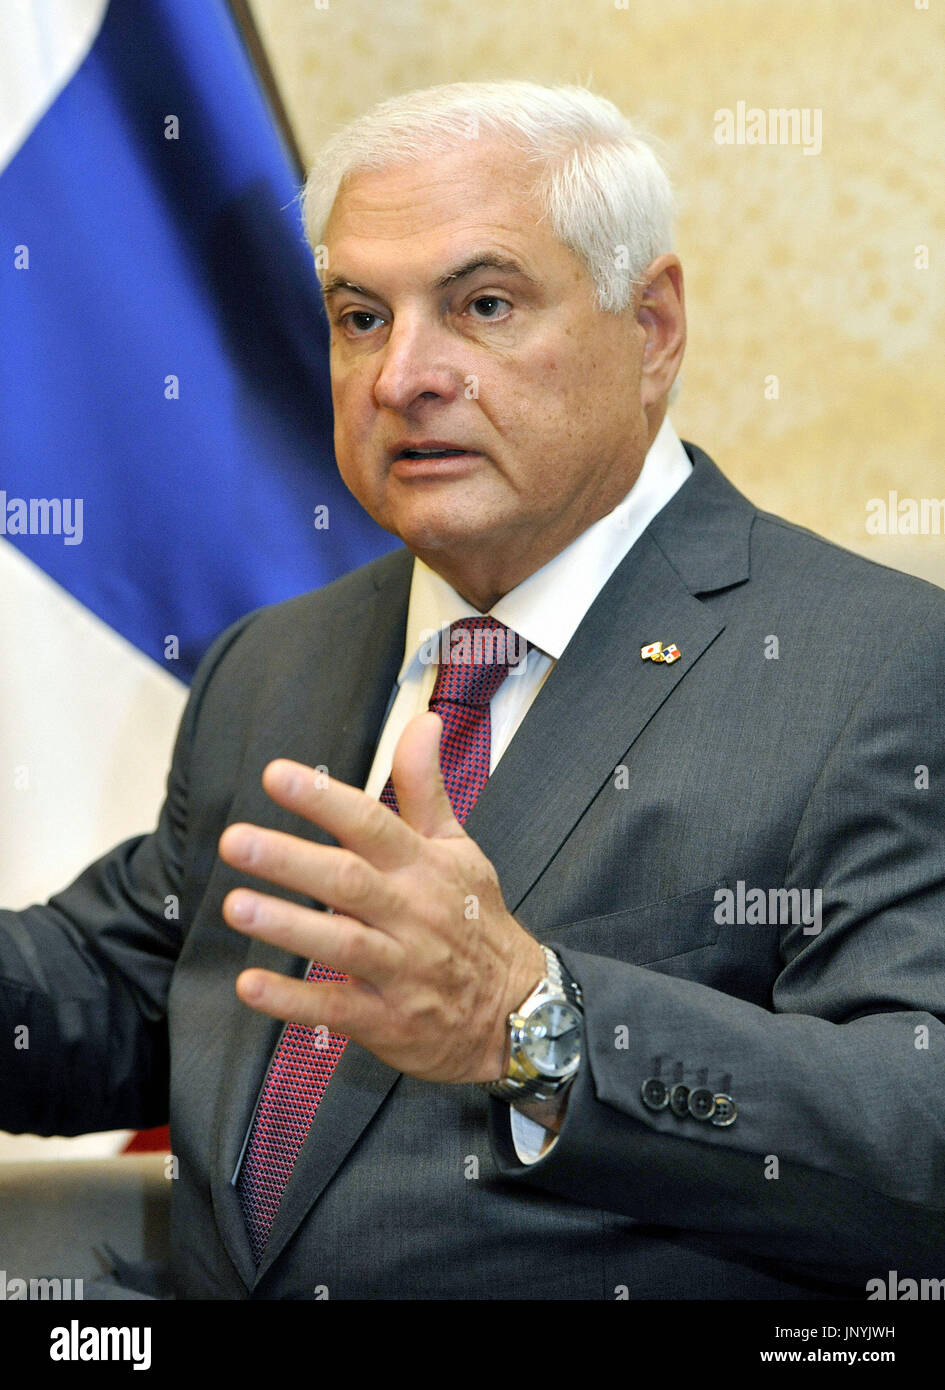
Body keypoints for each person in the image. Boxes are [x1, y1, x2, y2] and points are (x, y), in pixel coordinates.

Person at [2, 80, 944, 1301]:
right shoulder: (276, 662)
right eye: (359, 317)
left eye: (482, 305)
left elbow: (918, 1134)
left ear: (652, 326)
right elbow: (127, 989)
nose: (402, 377)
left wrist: (530, 1020)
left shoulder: (873, 667)